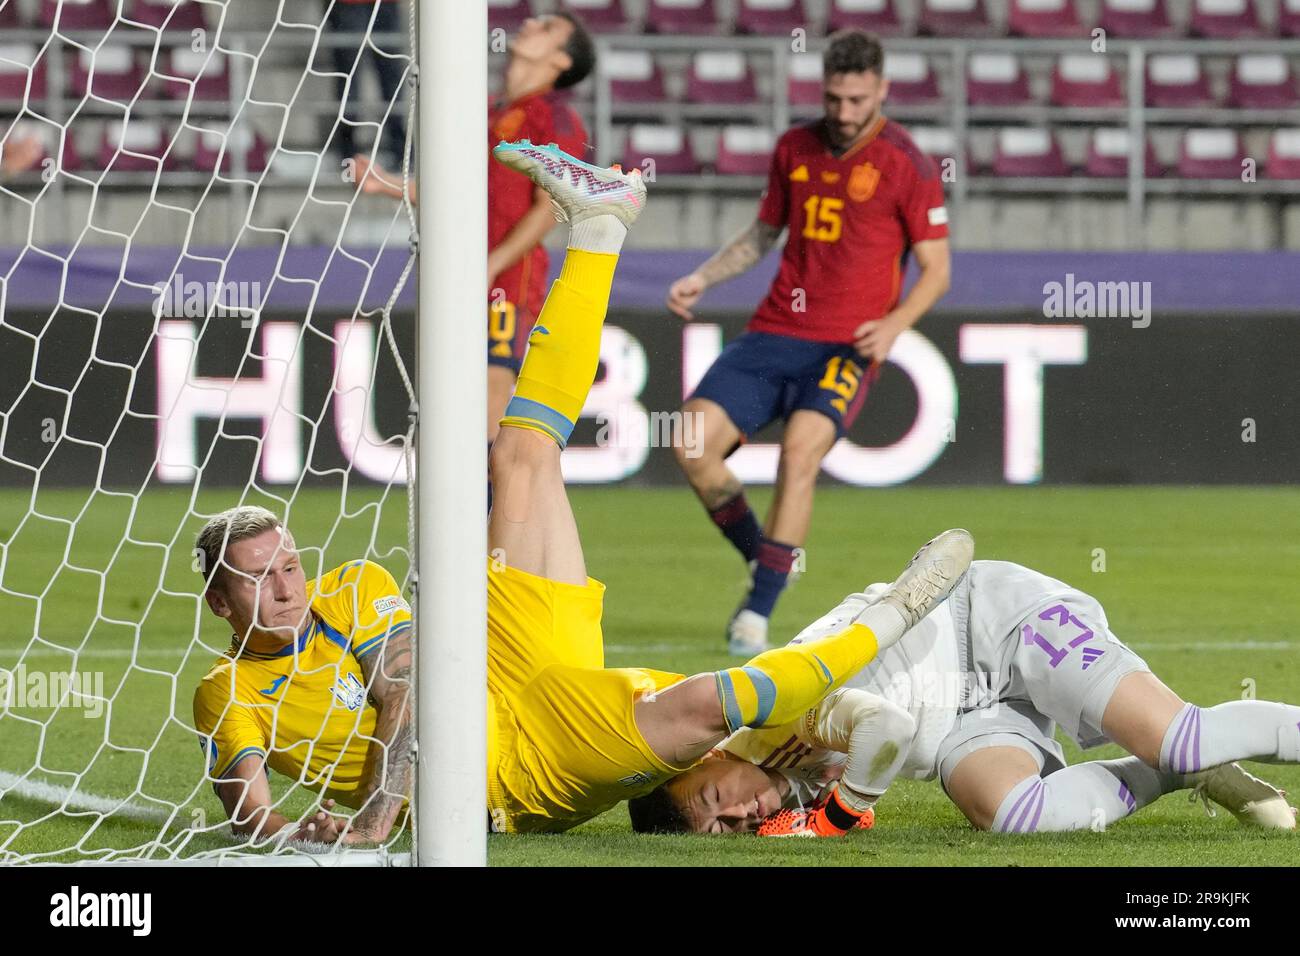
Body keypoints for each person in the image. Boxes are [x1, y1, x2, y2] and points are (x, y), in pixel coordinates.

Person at [480, 139, 973, 833]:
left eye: (719, 808)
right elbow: (859, 722)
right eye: (744, 825)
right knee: (526, 457)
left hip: (510, 749)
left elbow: (772, 694)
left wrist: (898, 612)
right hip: (540, 687)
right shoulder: (684, 742)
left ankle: (764, 590)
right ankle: (597, 230)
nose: (745, 810)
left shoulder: (650, 739)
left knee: (520, 458)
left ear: (689, 772)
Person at [629, 561, 1298, 836]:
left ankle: (1187, 753)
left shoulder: (776, 708)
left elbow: (885, 728)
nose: (742, 813)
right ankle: (1181, 774)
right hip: (961, 712)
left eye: (718, 798)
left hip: (992, 622)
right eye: (718, 827)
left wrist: (836, 818)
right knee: (1013, 814)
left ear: (708, 754)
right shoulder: (776, 781)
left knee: (1180, 730)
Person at [664, 30, 952, 656]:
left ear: (881, 90)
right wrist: (702, 277)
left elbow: (937, 268)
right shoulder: (795, 146)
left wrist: (897, 322)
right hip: (775, 332)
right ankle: (770, 561)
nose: (844, 113)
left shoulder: (907, 162)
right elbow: (763, 232)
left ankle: (756, 614)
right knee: (689, 441)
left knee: (800, 453)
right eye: (833, 98)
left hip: (846, 345)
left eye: (856, 100)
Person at [352, 12, 595, 453]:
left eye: (545, 27)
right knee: (450, 410)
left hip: (507, 280)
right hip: (457, 275)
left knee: (489, 397)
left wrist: (490, 266)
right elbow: (458, 194)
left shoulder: (555, 120)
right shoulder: (488, 110)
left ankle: (490, 517)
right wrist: (384, 184)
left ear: (561, 59)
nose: (530, 23)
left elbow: (550, 210)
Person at [191, 506, 413, 845]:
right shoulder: (228, 691)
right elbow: (250, 814)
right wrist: (302, 834)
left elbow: (407, 690)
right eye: (260, 578)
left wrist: (375, 820)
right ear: (220, 603)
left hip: (517, 724)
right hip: (482, 812)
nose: (286, 591)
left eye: (291, 568)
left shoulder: (355, 588)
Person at [324, 0, 407, 172]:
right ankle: (348, 160)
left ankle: (402, 155)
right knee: (349, 83)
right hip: (348, 4)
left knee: (391, 79)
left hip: (384, 3)